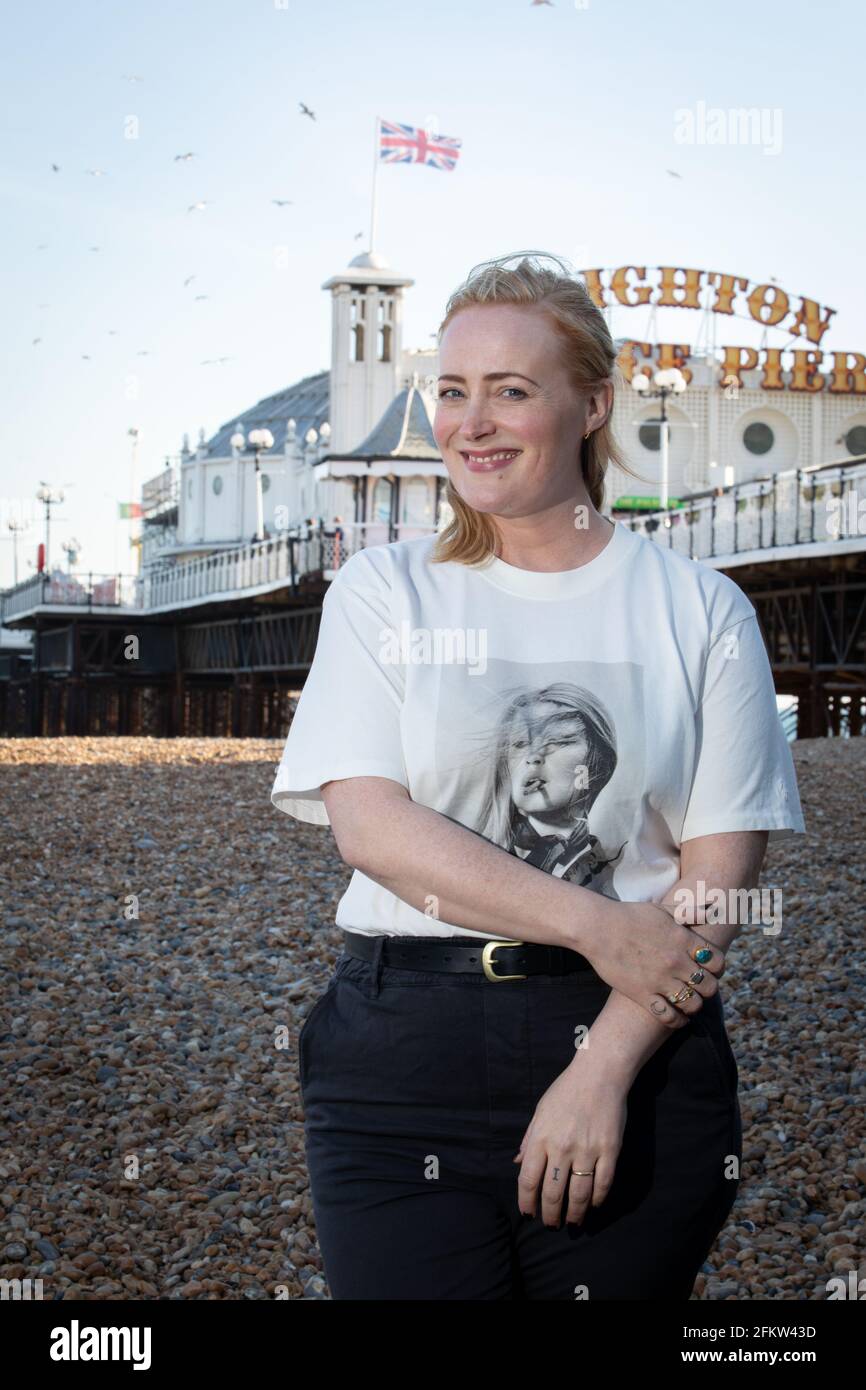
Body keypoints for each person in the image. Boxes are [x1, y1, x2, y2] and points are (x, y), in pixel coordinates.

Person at [271, 250, 806, 1301]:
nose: (470, 422)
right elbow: (370, 827)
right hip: (402, 1047)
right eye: (453, 391)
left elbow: (718, 874)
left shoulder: (698, 609)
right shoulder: (386, 591)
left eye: (510, 391)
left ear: (592, 405)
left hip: (635, 1037)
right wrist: (602, 925)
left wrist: (602, 1071)